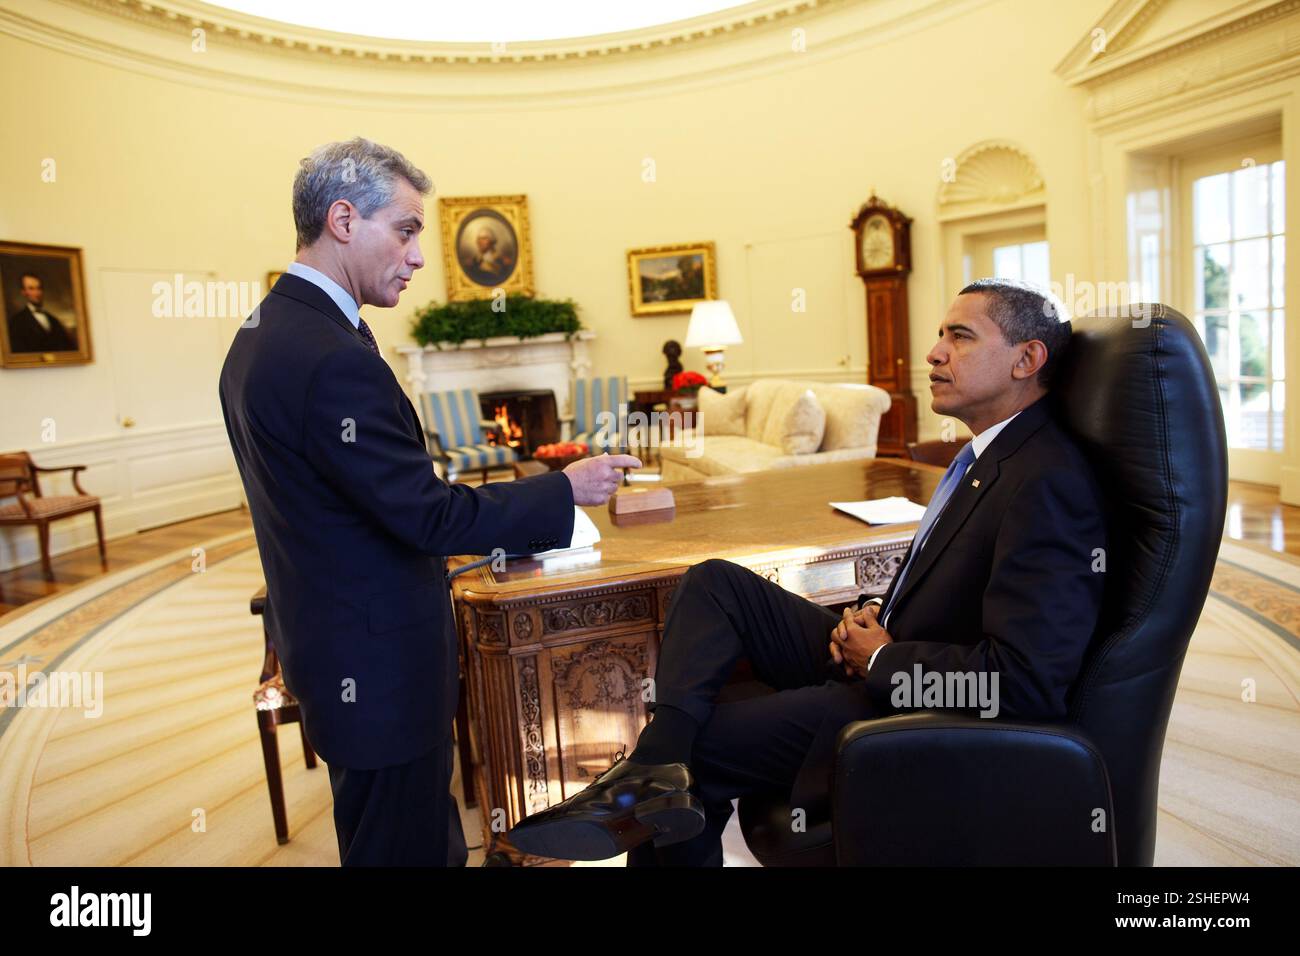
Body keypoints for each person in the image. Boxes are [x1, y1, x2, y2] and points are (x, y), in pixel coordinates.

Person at [506, 278, 1107, 865]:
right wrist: (876, 616)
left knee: (704, 746)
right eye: (940, 334)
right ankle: (655, 763)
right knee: (716, 582)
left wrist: (880, 659)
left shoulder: (1048, 481)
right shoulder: (988, 455)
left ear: (1027, 359)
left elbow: (1026, 681)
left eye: (961, 336)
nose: (934, 352)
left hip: (916, 707)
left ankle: (655, 777)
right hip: (890, 653)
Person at [219, 137, 638, 866]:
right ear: (344, 220)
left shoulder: (263, 332)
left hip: (334, 650)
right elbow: (427, 515)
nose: (418, 256)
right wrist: (563, 490)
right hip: (378, 669)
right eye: (407, 230)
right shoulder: (328, 356)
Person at [7, 272, 76, 352]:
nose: (37, 293)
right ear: (24, 292)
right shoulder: (16, 321)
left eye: (39, 288)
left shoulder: (53, 320)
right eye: (31, 288)